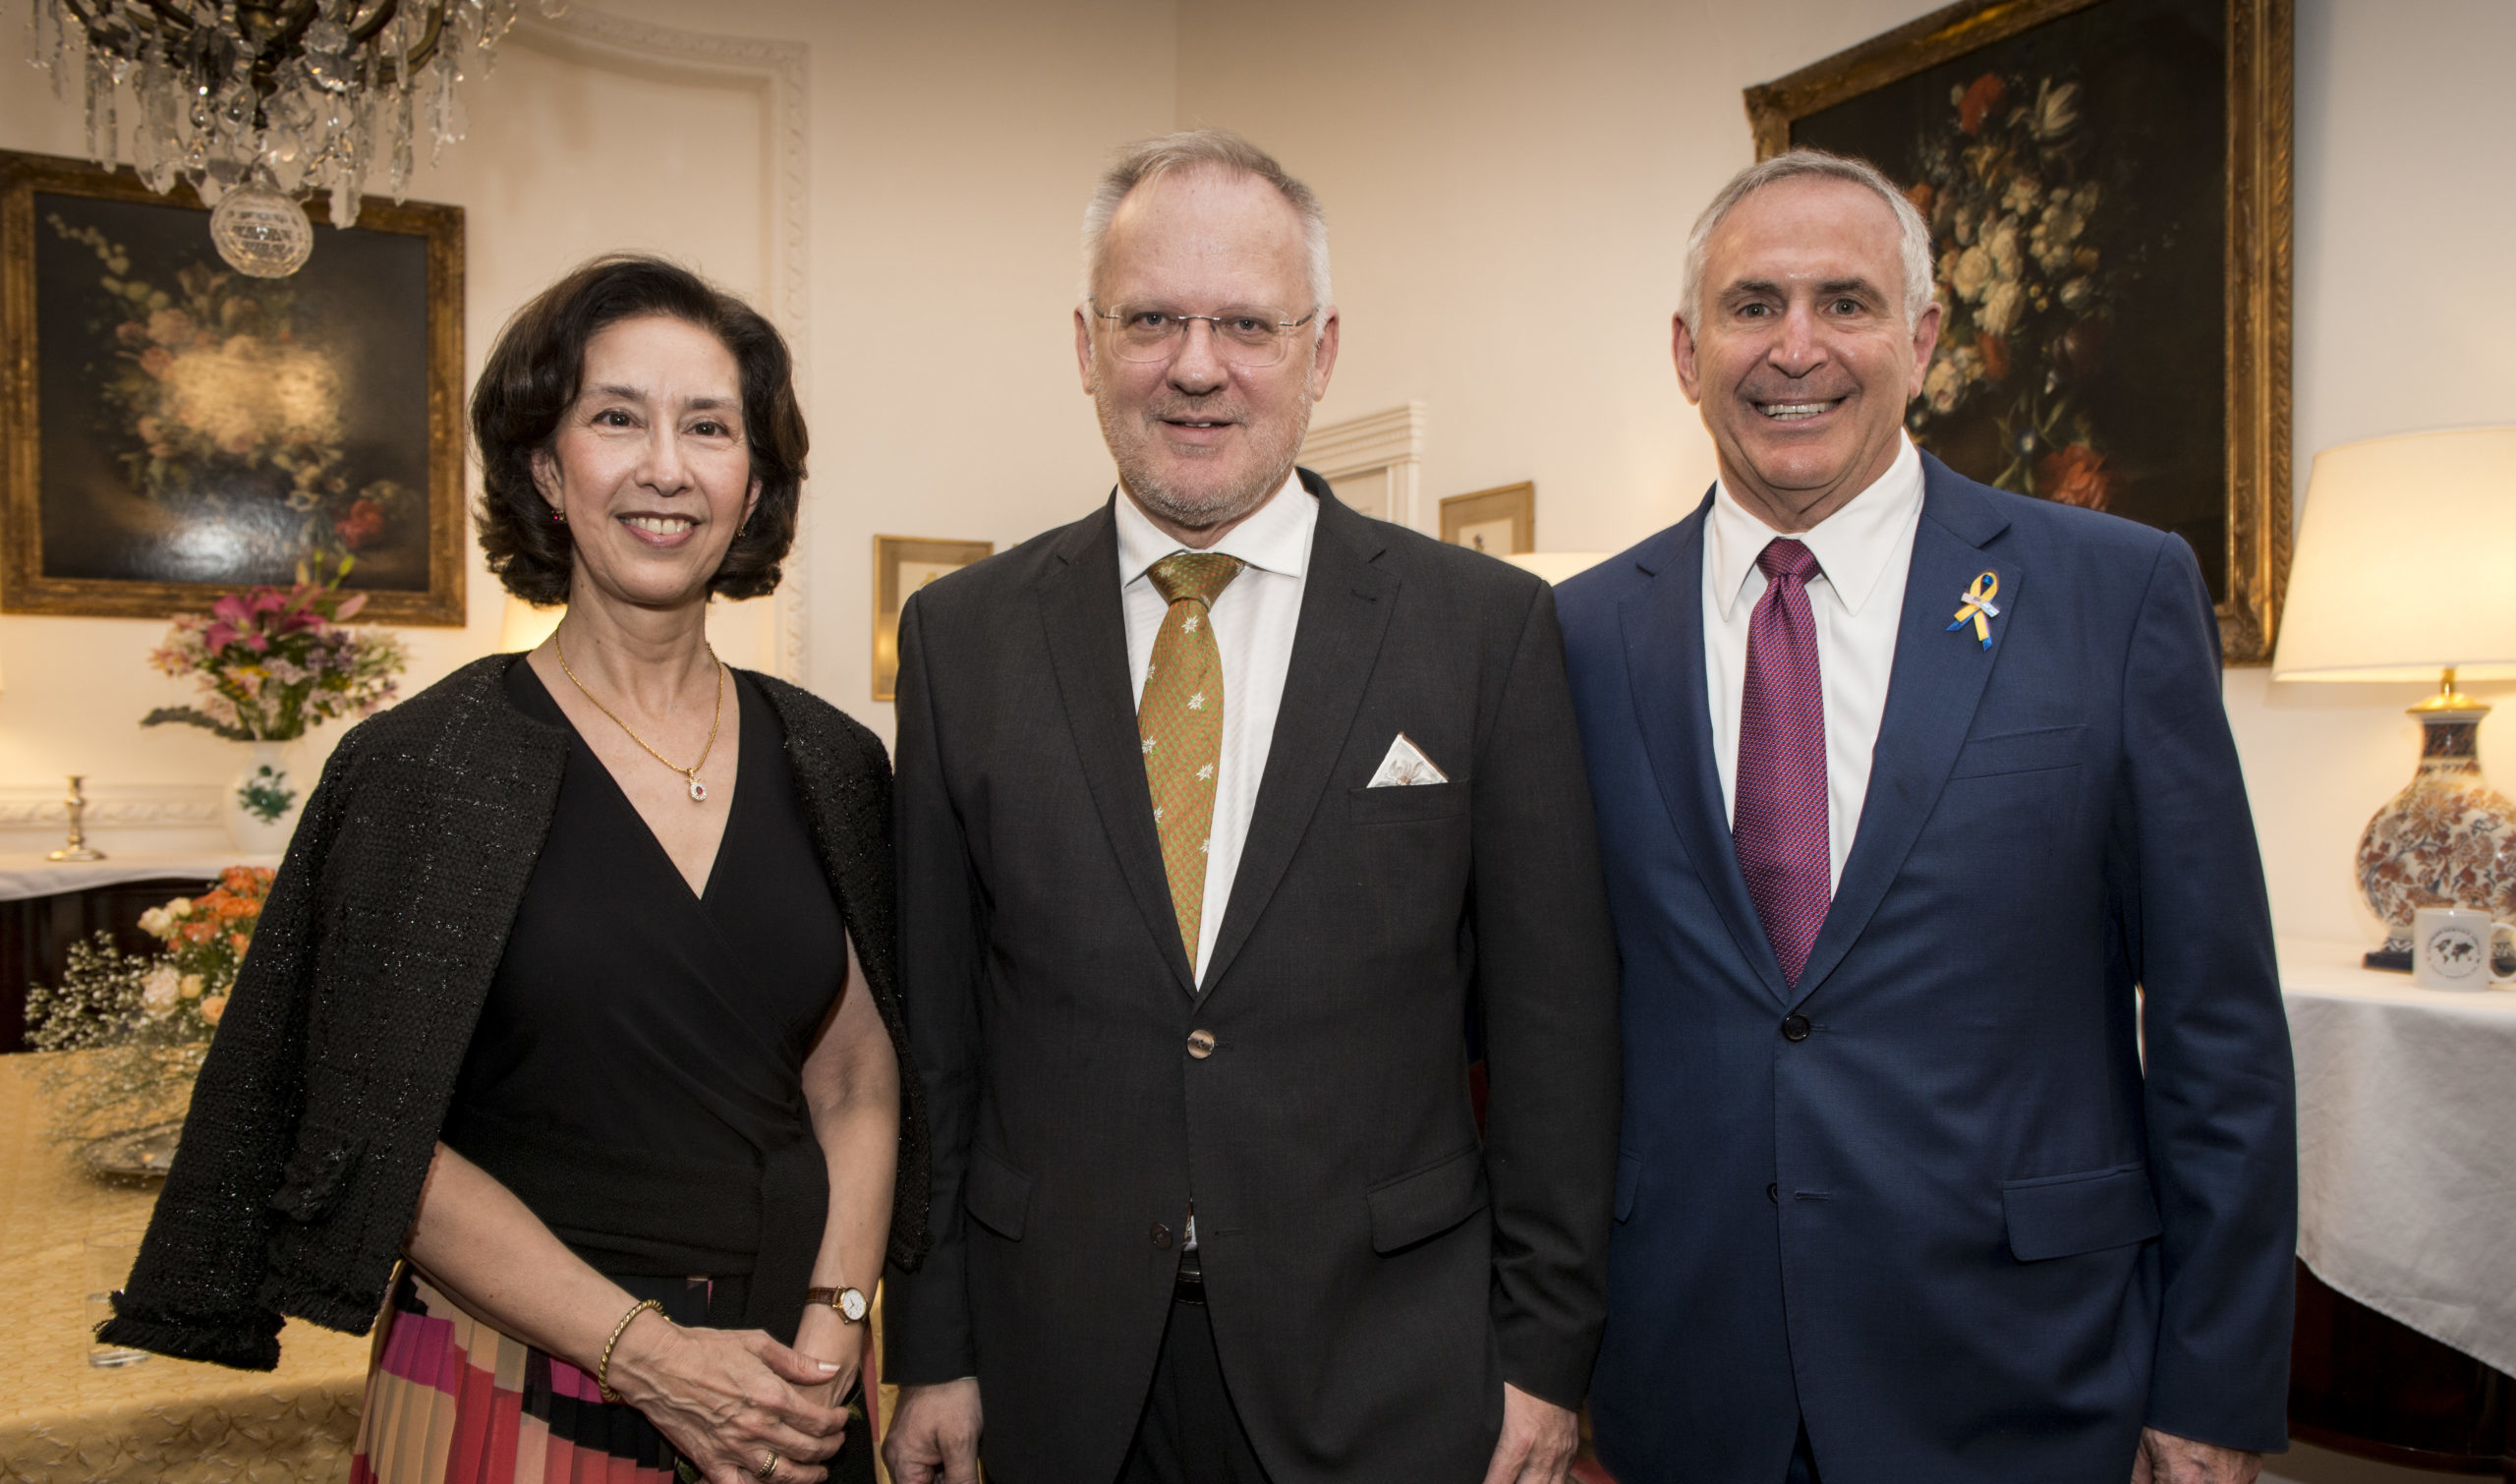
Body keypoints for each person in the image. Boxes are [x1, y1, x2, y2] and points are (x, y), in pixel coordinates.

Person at [102, 255, 925, 1484]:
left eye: (709, 426)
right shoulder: (420, 767)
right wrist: (646, 1351)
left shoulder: (833, 759)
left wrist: (833, 1325)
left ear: (754, 485)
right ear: (545, 466)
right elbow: (374, 1138)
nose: (665, 466)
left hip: (792, 1390)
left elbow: (858, 1074)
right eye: (615, 418)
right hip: (522, 1378)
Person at [879, 130, 1621, 1484]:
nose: (1197, 365)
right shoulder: (962, 639)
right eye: (1152, 318)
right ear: (1088, 345)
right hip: (1056, 1364)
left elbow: (1555, 1038)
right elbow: (939, 1040)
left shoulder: (1483, 631)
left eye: (1246, 324)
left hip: (1396, 1366)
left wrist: (1545, 1358)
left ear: (1322, 350)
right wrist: (934, 1344)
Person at [1555, 148, 2298, 1484]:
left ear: (1925, 338)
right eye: (1751, 305)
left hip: (2026, 1370)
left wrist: (2215, 1386)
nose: (1797, 349)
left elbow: (2219, 1027)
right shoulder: (1579, 634)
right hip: (1686, 1378)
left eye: (1845, 302)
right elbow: (1551, 1031)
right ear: (1685, 349)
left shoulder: (2113, 593)